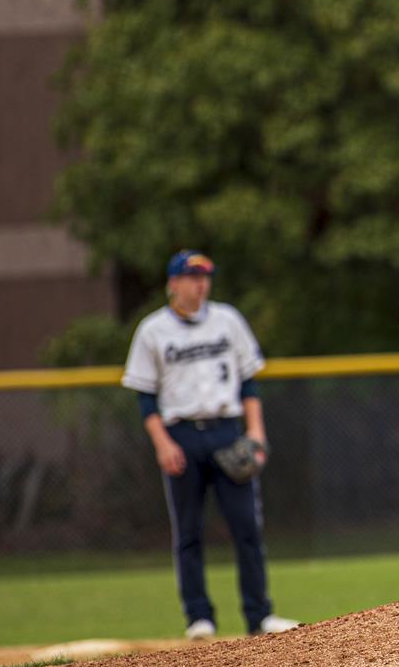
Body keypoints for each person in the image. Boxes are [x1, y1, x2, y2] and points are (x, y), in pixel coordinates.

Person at [120, 250, 297, 639]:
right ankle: (199, 617)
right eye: (191, 276)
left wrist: (256, 432)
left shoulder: (227, 320)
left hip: (226, 430)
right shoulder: (153, 331)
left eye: (205, 276)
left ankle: (259, 616)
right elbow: (146, 398)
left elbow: (249, 382)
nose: (200, 283)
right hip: (181, 433)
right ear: (173, 284)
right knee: (188, 531)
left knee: (247, 526)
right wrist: (162, 443)